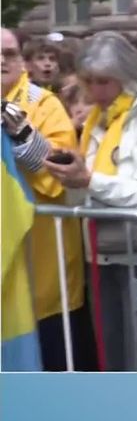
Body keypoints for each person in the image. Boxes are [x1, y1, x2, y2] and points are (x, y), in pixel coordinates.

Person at [43, 32, 137, 371]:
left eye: (103, 81)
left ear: (126, 77)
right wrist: (71, 176)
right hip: (99, 249)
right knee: (111, 352)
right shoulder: (97, 118)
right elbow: (83, 194)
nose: (94, 91)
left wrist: (89, 180)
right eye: (88, 82)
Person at [1, 28, 95, 371]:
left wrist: (23, 134)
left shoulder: (45, 104)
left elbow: (61, 174)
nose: (1, 60)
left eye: (9, 54)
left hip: (42, 271)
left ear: (22, 62)